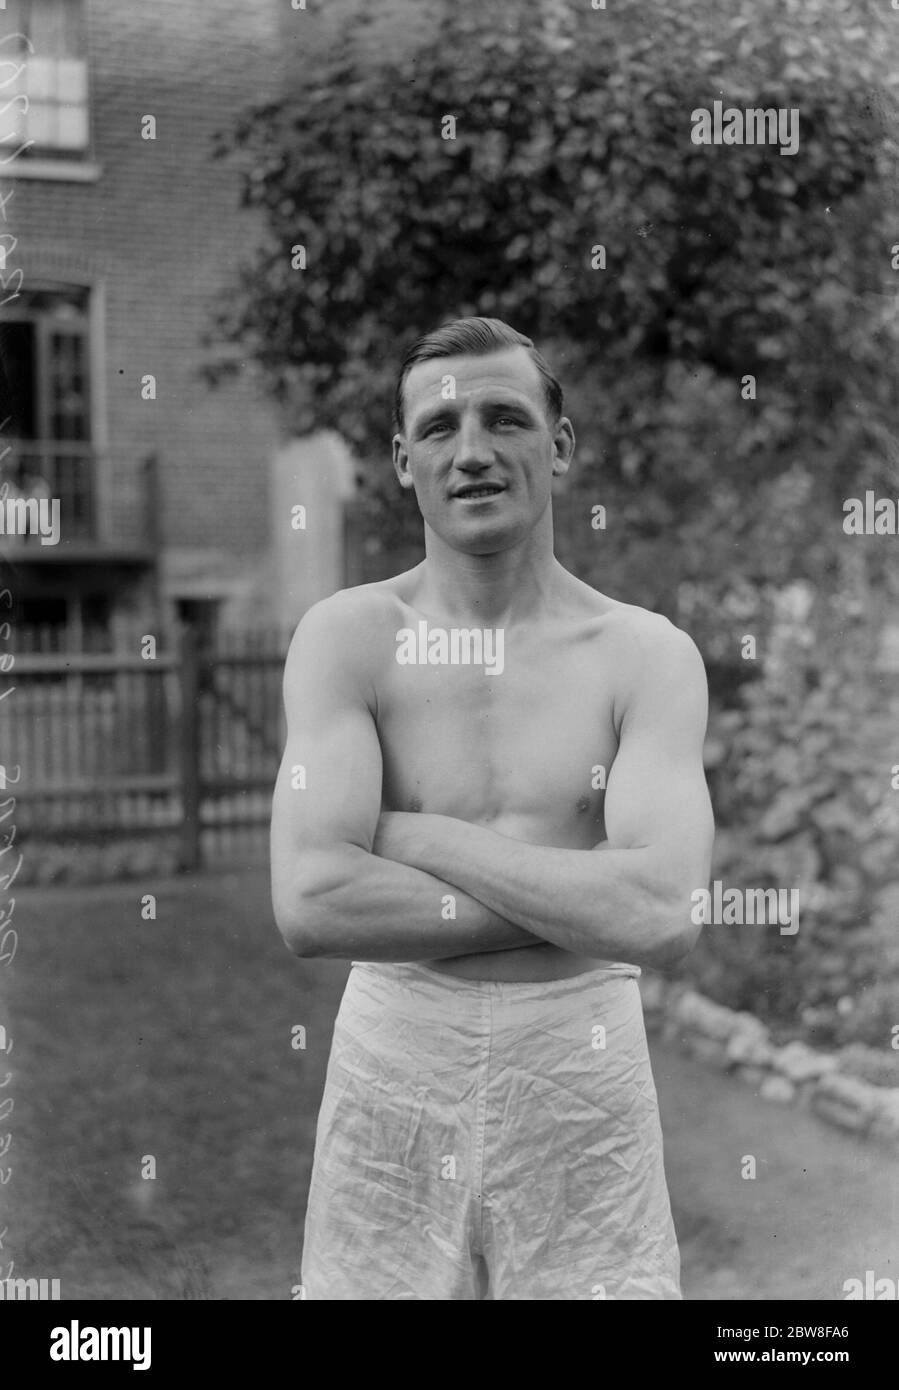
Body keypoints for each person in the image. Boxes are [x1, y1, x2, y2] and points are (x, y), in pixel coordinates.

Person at [270, 316, 714, 1300]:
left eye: (503, 417)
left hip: (579, 1051)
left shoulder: (643, 655)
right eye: (438, 428)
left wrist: (414, 835)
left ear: (557, 446)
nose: (470, 451)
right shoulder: (346, 638)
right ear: (400, 461)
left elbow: (663, 915)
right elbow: (311, 902)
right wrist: (584, 896)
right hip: (396, 1045)